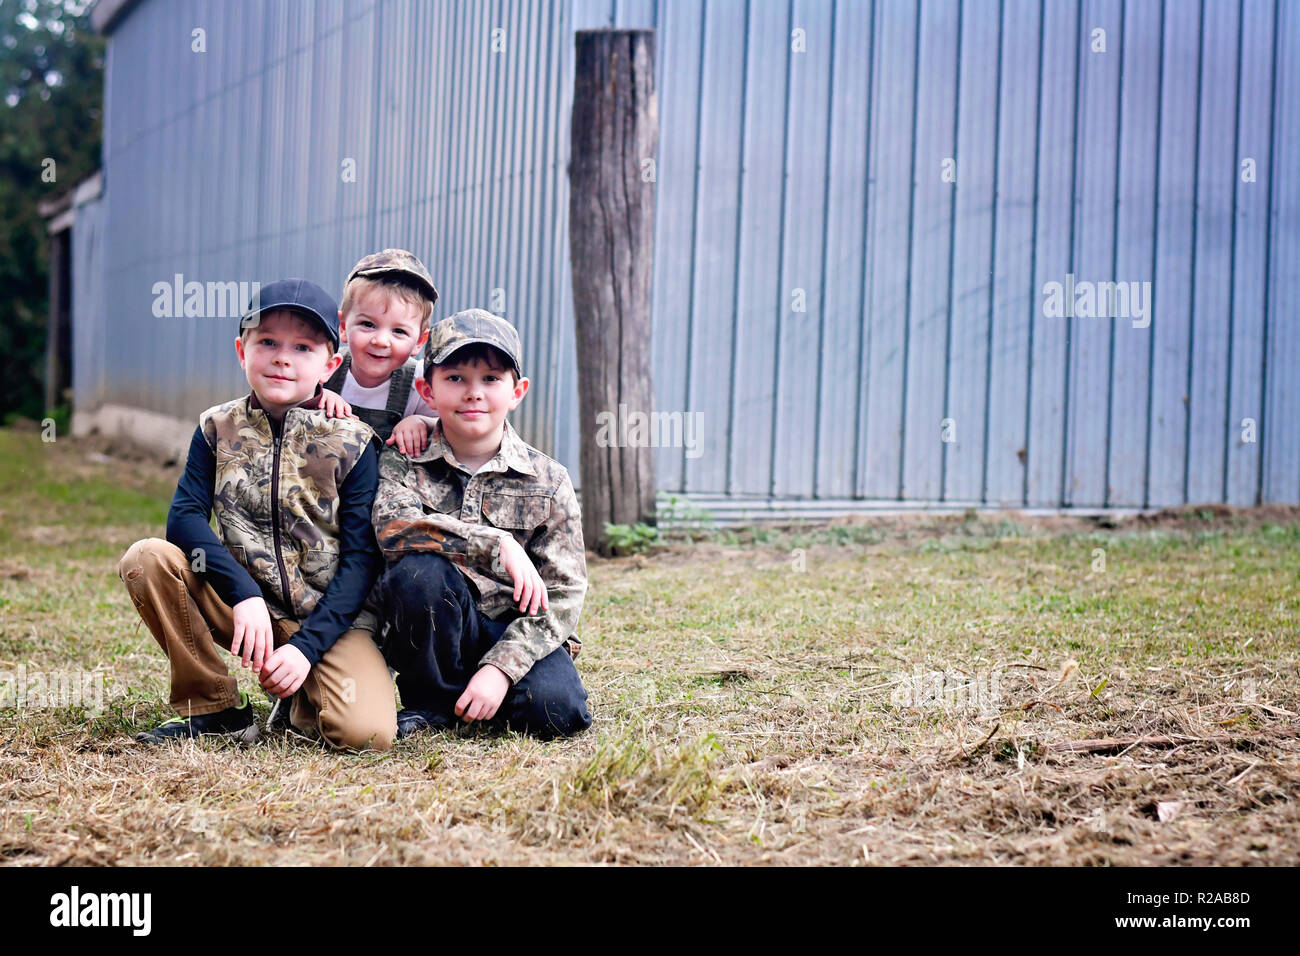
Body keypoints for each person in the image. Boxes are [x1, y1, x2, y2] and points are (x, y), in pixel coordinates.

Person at [118, 279, 397, 750]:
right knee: (147, 558)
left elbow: (362, 562)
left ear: (330, 364)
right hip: (245, 607)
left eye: (302, 347)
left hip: (327, 619)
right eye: (267, 341)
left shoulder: (353, 442)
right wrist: (243, 592)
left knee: (365, 736)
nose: (282, 357)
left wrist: (306, 650)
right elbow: (184, 519)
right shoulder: (217, 427)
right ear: (241, 350)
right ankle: (213, 706)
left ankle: (299, 698)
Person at [371, 308, 592, 739]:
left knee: (558, 711)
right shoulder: (404, 458)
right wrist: (494, 544)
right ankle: (432, 704)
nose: (474, 393)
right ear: (427, 390)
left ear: (517, 391)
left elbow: (565, 593)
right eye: (455, 378)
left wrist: (501, 669)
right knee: (419, 573)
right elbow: (392, 528)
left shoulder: (548, 479)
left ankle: (480, 697)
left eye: (491, 379)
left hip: (511, 627)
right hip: (436, 626)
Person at [320, 249, 440, 454]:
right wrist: (316, 397)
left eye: (399, 331)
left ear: (419, 341)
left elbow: (452, 422)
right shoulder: (323, 368)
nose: (381, 341)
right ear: (342, 326)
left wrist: (423, 422)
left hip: (389, 483)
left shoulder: (419, 381)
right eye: (368, 324)